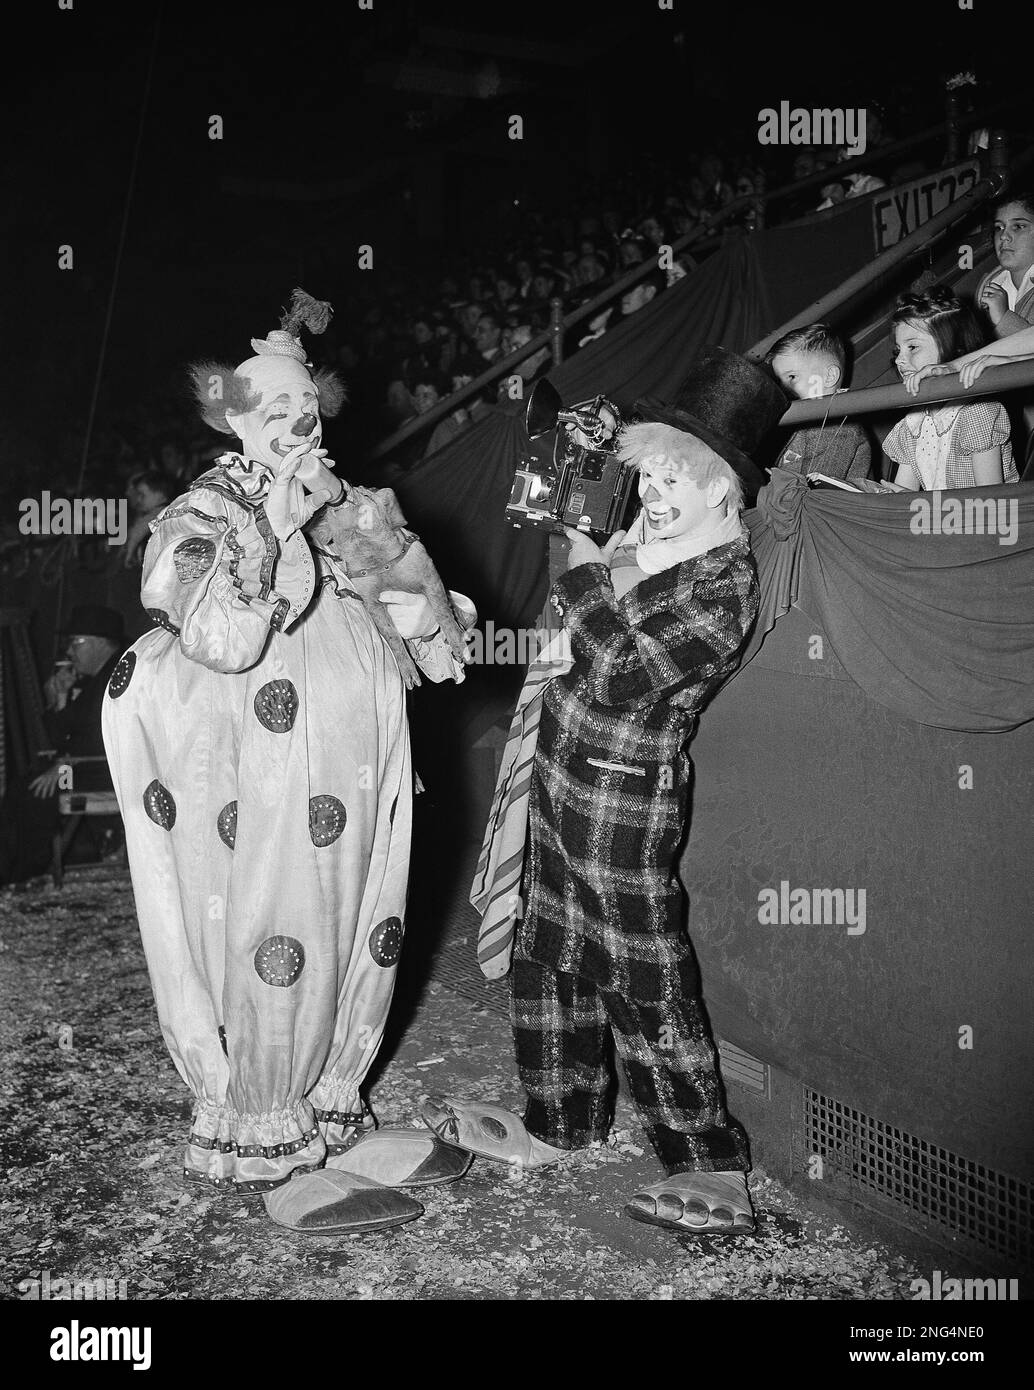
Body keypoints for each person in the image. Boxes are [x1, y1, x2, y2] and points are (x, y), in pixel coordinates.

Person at [101, 290, 474, 1235]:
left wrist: (410, 580)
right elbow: (221, 638)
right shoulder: (201, 517)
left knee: (359, 916)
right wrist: (269, 521)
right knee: (279, 921)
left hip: (356, 767)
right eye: (275, 412)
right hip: (258, 775)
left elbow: (427, 633)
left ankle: (329, 1098)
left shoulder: (342, 501)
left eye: (307, 407)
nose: (300, 425)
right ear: (231, 419)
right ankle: (263, 1124)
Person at [434, 350, 792, 1237]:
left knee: (644, 977)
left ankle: (708, 1162)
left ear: (725, 492)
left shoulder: (721, 584)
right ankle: (562, 1121)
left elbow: (624, 672)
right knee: (547, 951)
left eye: (680, 477)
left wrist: (582, 566)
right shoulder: (639, 546)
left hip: (622, 806)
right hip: (558, 780)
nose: (657, 491)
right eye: (653, 470)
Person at [0, 606, 125, 884]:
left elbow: (105, 740)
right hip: (78, 769)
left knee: (35, 796)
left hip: (102, 774)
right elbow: (57, 739)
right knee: (26, 786)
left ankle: (28, 870)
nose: (70, 652)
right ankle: (17, 866)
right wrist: (61, 698)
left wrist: (64, 765)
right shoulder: (92, 683)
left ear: (100, 643)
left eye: (76, 643)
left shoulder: (115, 679)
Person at [884, 288, 1017, 489]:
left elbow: (989, 501)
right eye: (897, 350)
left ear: (953, 349)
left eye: (912, 347)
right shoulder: (914, 421)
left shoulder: (977, 412)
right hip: (937, 517)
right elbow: (905, 498)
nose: (900, 360)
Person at [766, 324, 873, 482]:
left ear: (830, 376)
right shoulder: (809, 421)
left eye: (792, 377)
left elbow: (809, 493)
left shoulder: (836, 427)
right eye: (780, 381)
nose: (784, 388)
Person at [975, 192, 1034, 338]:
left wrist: (1003, 318)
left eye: (1018, 226)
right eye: (999, 227)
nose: (1003, 236)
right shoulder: (987, 285)